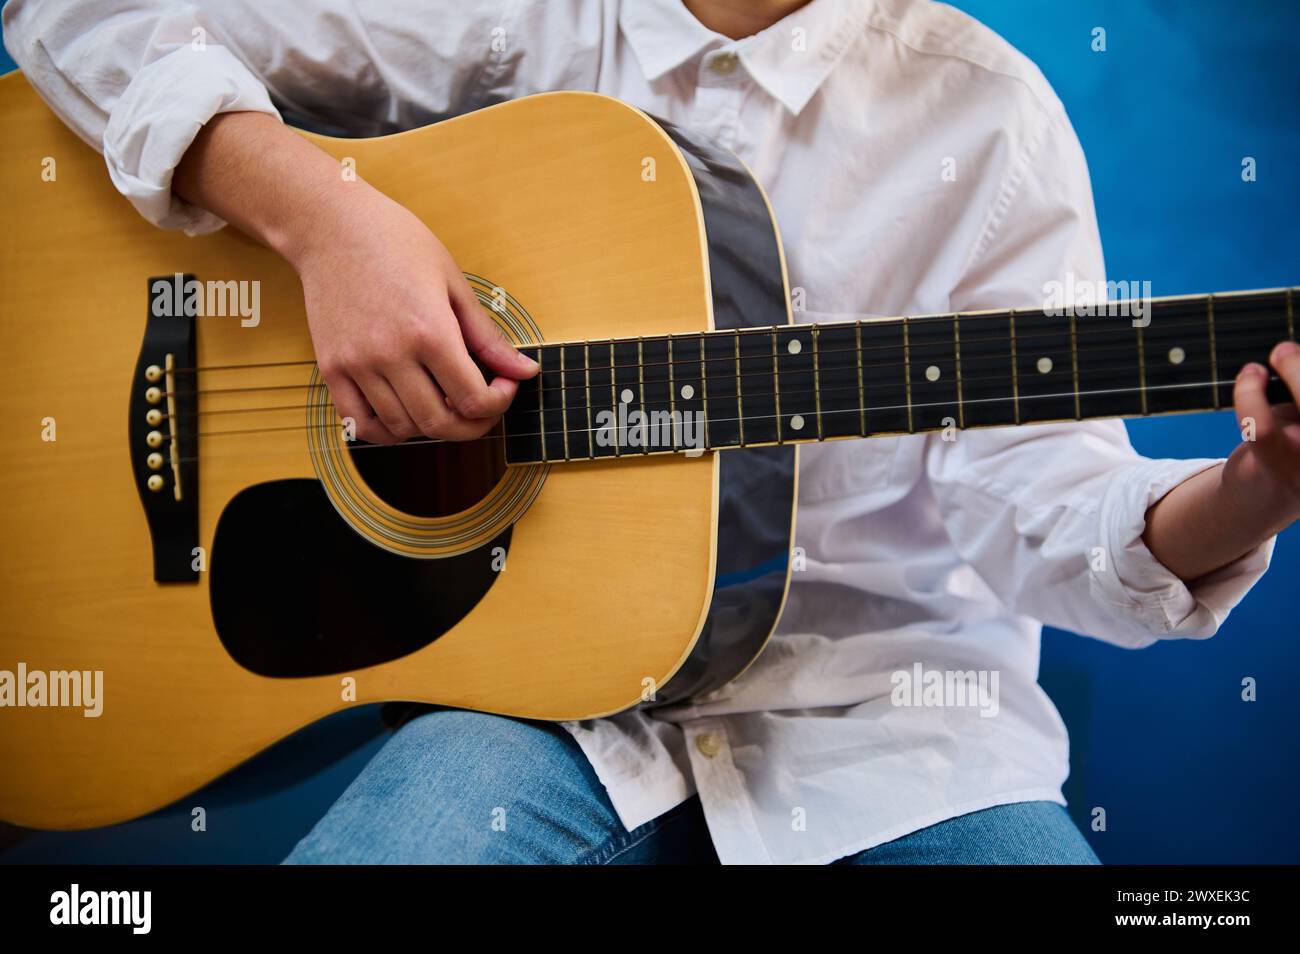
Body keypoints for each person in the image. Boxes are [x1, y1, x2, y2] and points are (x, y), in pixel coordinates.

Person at [5, 0, 1297, 865]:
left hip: (896, 738)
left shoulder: (986, 120)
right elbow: (72, 15)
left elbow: (1049, 522)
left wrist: (1257, 486)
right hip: (535, 718)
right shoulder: (506, 20)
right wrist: (327, 222)